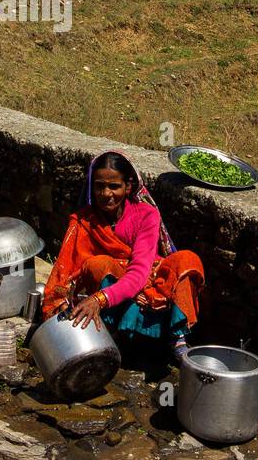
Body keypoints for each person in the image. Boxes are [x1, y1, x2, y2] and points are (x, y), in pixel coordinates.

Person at [42, 151, 205, 364]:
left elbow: (139, 271)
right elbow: (65, 270)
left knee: (187, 260)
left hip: (144, 279)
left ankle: (176, 339)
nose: (106, 193)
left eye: (114, 186)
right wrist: (62, 304)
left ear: (128, 187)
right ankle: (112, 331)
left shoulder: (147, 215)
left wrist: (99, 299)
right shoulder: (83, 222)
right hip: (111, 286)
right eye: (99, 186)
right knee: (99, 264)